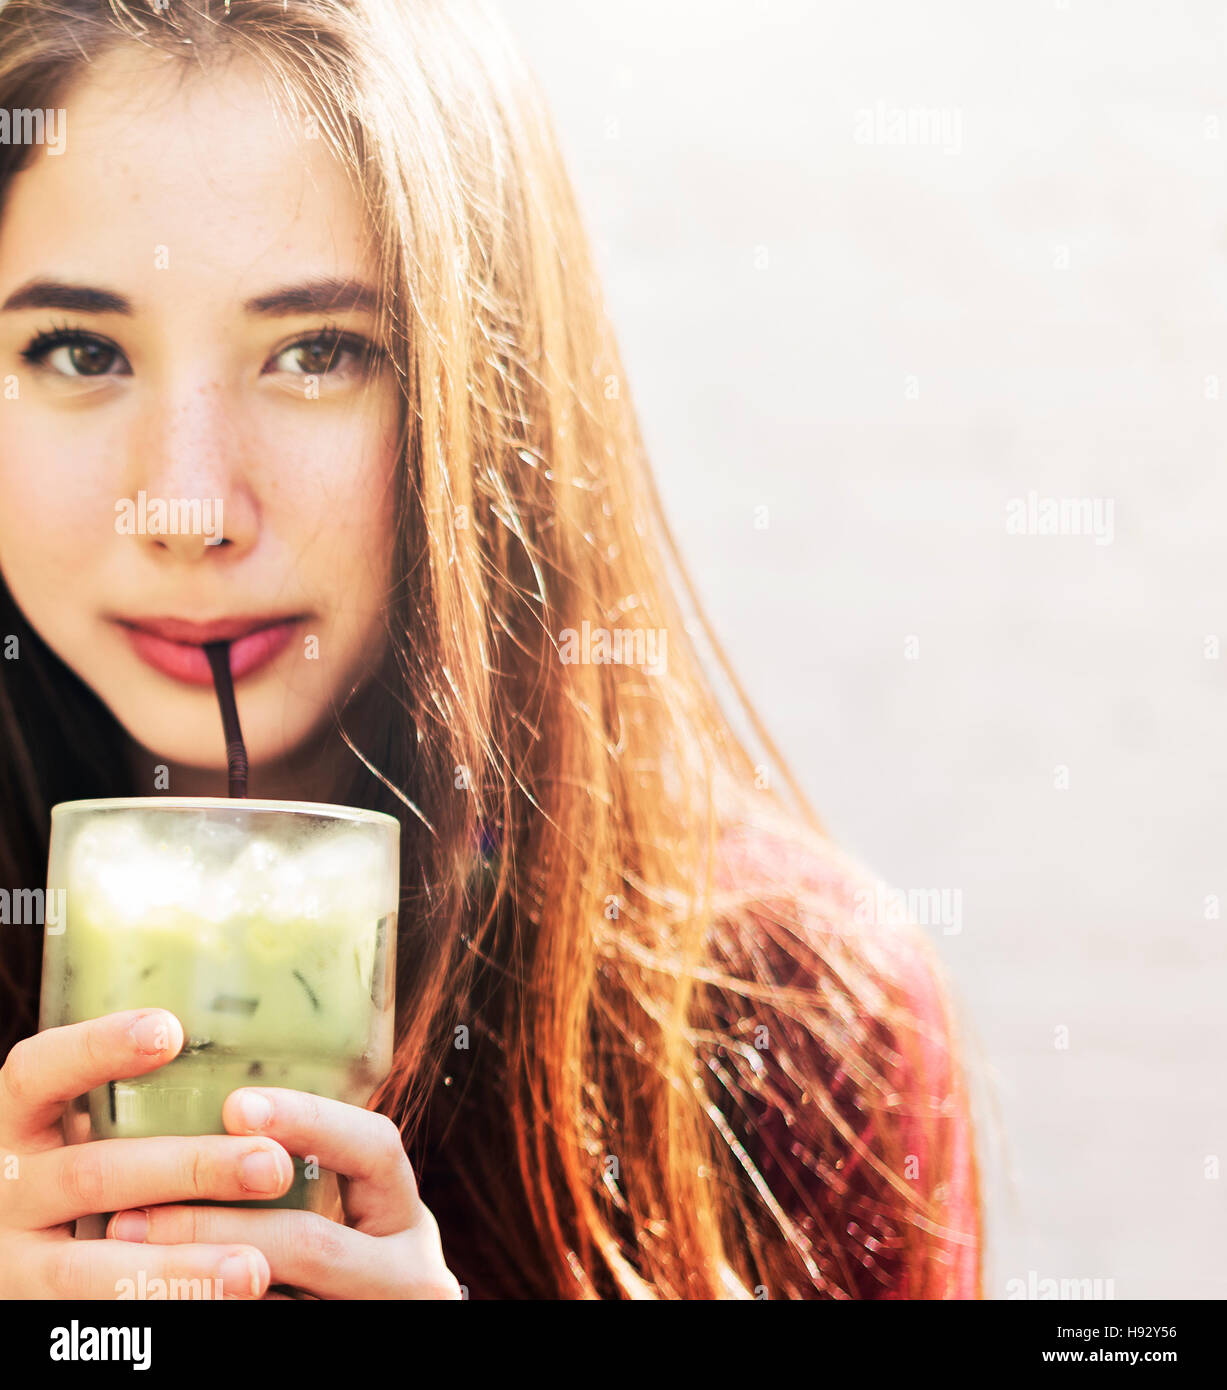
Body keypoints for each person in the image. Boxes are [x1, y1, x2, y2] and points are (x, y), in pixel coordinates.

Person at [0, 0, 980, 1299]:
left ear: (492, 391)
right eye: (79, 349)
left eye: (319, 352)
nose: (188, 507)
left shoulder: (781, 1020)